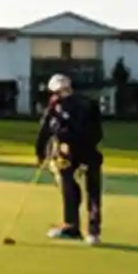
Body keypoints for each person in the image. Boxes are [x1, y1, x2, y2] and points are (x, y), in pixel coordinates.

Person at [34, 73, 104, 245]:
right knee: (84, 190)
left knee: (76, 188)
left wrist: (41, 154)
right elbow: (98, 132)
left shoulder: (59, 107)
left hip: (74, 153)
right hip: (82, 153)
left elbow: (47, 131)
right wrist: (42, 153)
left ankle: (77, 227)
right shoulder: (86, 103)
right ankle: (84, 230)